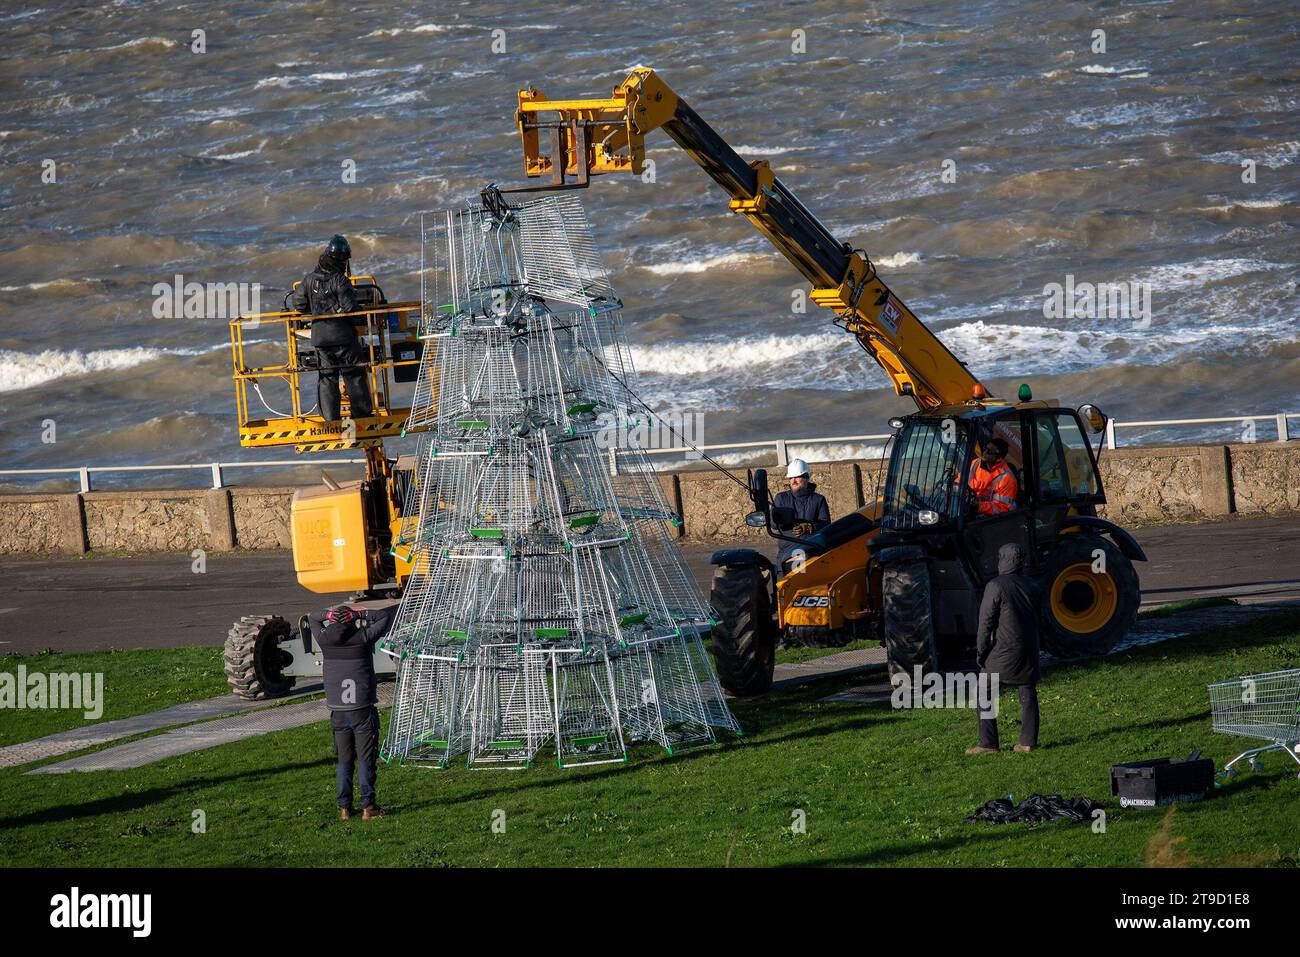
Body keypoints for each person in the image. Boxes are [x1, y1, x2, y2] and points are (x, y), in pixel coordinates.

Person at [309, 602, 397, 819]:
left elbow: (313, 617)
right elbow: (383, 617)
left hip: (338, 710)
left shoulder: (324, 640)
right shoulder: (363, 638)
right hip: (362, 709)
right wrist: (361, 613)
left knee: (344, 761)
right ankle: (368, 806)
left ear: (331, 620)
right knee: (367, 760)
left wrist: (328, 613)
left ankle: (344, 808)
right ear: (352, 620)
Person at [967, 542, 1041, 755]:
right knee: (1027, 691)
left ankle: (988, 743)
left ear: (1002, 560)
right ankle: (1027, 742)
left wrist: (981, 652)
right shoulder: (1033, 584)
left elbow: (986, 623)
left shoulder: (995, 586)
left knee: (984, 691)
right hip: (1029, 648)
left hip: (1004, 650)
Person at [291, 235, 374, 422]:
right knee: (354, 374)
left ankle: (330, 418)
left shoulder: (309, 279)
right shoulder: (340, 281)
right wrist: (366, 314)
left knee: (327, 377)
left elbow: (299, 304)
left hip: (320, 339)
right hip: (343, 338)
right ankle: (361, 414)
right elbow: (350, 309)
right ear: (340, 260)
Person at [772, 458, 830, 569]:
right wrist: (780, 519)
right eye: (791, 478)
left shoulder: (818, 499)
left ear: (806, 478)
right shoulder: (781, 498)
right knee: (782, 583)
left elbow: (826, 524)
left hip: (810, 549)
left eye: (797, 477)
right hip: (786, 551)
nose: (793, 481)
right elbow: (773, 525)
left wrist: (810, 527)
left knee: (803, 581)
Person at [967, 436, 1019, 516]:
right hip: (967, 509)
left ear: (999, 458)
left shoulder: (1008, 479)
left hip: (988, 521)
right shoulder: (975, 463)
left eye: (989, 452)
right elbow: (959, 482)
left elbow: (1002, 508)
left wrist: (978, 506)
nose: (984, 452)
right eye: (985, 448)